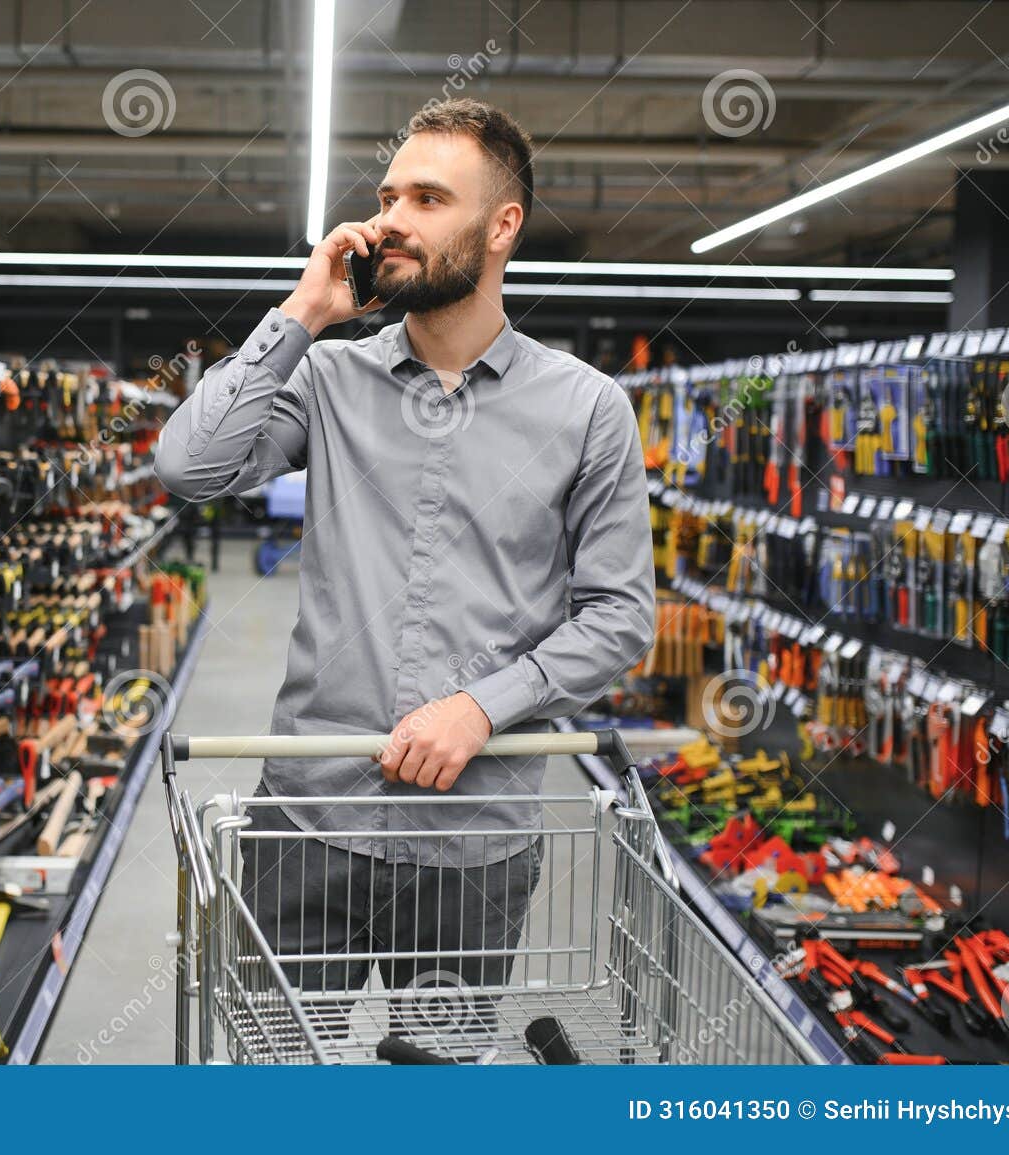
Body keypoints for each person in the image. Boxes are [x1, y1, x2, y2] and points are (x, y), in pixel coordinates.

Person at [154, 99, 655, 1049]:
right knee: (273, 1076)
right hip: (306, 822)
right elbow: (188, 466)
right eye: (388, 197)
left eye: (428, 199)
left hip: (472, 843)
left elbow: (618, 616)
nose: (391, 220)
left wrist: (481, 707)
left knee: (433, 1086)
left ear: (502, 226)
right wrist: (304, 313)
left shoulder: (586, 409)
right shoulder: (327, 381)